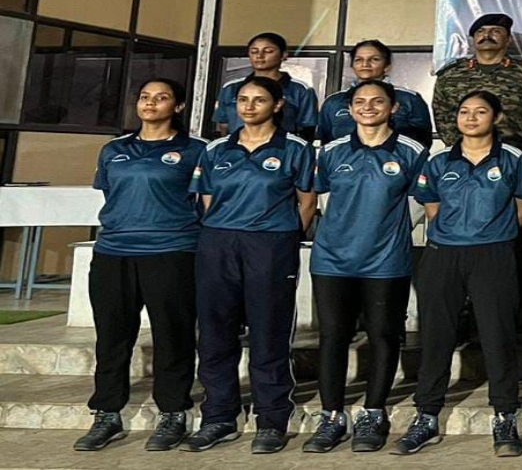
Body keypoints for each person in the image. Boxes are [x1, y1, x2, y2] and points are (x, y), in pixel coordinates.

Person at [397, 90, 522, 457]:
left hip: (493, 257)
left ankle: (504, 416)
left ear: (497, 117)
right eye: (464, 112)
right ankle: (427, 415)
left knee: (497, 336)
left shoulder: (514, 159)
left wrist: (493, 234)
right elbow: (430, 204)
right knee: (437, 337)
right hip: (443, 256)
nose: (471, 118)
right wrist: (453, 232)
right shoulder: (439, 159)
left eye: (480, 112)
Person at [73, 78, 207, 453]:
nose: (150, 103)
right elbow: (111, 194)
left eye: (161, 97)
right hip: (114, 253)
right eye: (145, 97)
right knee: (113, 337)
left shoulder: (196, 150)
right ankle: (107, 414)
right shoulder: (114, 149)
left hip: (173, 251)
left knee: (172, 336)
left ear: (178, 107)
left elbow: (208, 201)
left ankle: (173, 413)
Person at [185, 76, 317, 454]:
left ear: (277, 105)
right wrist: (228, 231)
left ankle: (272, 419)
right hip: (219, 244)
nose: (248, 106)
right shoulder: (215, 150)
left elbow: (306, 202)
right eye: (242, 99)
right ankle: (219, 417)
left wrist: (283, 238)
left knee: (268, 332)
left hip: (271, 245)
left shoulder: (295, 148)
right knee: (214, 332)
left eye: (259, 100)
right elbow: (207, 199)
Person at [302, 80, 428, 453]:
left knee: (383, 336)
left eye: (377, 102)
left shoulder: (412, 151)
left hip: (385, 260)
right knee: (333, 337)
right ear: (350, 109)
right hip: (333, 259)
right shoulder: (330, 151)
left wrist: (386, 231)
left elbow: (419, 203)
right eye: (360, 102)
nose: (368, 107)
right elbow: (320, 197)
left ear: (393, 108)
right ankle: (332, 416)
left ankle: (373, 412)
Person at [432, 14, 522, 328]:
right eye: (481, 32)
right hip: (463, 168)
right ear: (472, 39)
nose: (487, 36)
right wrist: (464, 151)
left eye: (495, 31)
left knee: (512, 248)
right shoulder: (452, 74)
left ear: (508, 38)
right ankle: (465, 319)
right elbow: (444, 115)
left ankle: (510, 320)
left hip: (510, 167)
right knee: (459, 249)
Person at [316, 39, 433, 147]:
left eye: (374, 59)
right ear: (352, 66)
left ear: (387, 66)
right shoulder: (333, 102)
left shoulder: (409, 99)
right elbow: (326, 142)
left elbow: (423, 142)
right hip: (344, 166)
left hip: (396, 166)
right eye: (359, 60)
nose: (365, 64)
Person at [212, 32, 319, 140]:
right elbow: (224, 125)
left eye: (268, 51)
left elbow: (307, 129)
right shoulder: (231, 88)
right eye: (254, 51)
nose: (259, 56)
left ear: (284, 55)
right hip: (237, 150)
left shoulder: (300, 90)